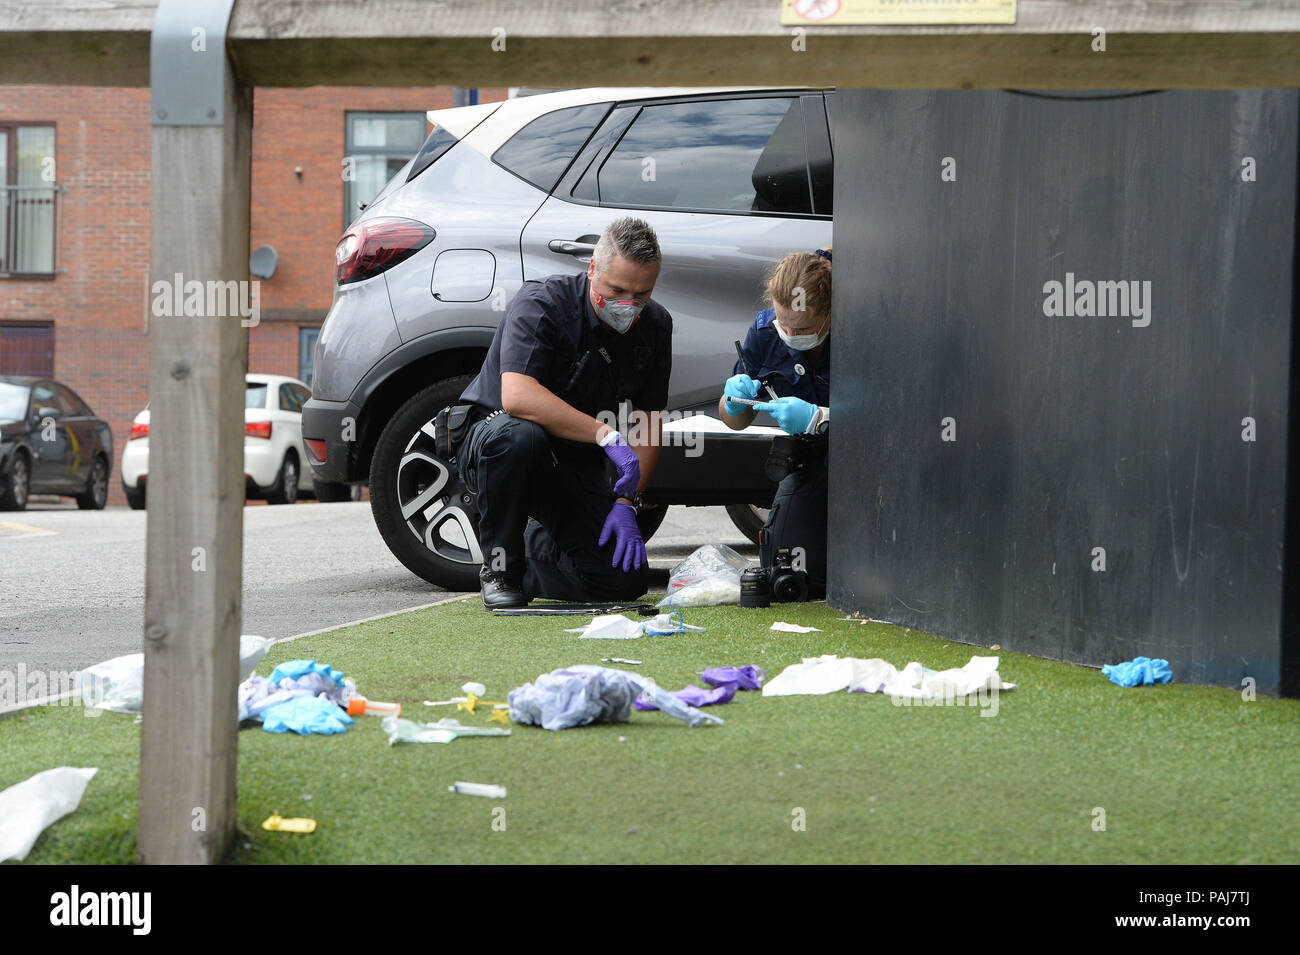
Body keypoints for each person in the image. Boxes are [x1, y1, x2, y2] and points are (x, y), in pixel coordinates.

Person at [457, 217, 672, 609]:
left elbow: (649, 422)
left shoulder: (656, 325)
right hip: (498, 442)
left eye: (641, 294)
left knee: (621, 583)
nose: (628, 305)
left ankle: (531, 548)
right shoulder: (542, 302)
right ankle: (500, 569)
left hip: (570, 459)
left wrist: (627, 501)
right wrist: (605, 435)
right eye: (617, 290)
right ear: (592, 269)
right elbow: (518, 398)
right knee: (522, 436)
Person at [718, 247, 832, 598]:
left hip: (868, 456)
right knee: (788, 569)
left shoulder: (865, 329)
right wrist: (734, 403)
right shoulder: (765, 332)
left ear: (830, 312)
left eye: (804, 328)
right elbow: (735, 420)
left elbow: (897, 419)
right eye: (784, 323)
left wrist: (822, 417)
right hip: (813, 461)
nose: (791, 334)